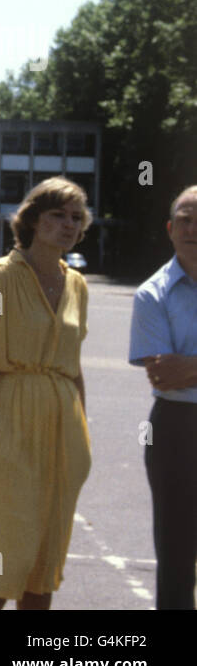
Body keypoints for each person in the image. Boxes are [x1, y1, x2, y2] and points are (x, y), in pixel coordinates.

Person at [0, 177, 93, 609]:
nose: (68, 224)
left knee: (45, 563)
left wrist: (83, 432)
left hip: (64, 427)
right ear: (34, 220)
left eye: (76, 217)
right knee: (6, 559)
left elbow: (73, 366)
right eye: (57, 215)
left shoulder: (77, 285)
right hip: (11, 419)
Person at [129, 184, 197, 609]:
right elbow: (162, 375)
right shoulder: (151, 293)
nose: (193, 229)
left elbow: (178, 370)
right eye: (185, 220)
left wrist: (188, 365)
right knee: (175, 557)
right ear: (171, 229)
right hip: (175, 429)